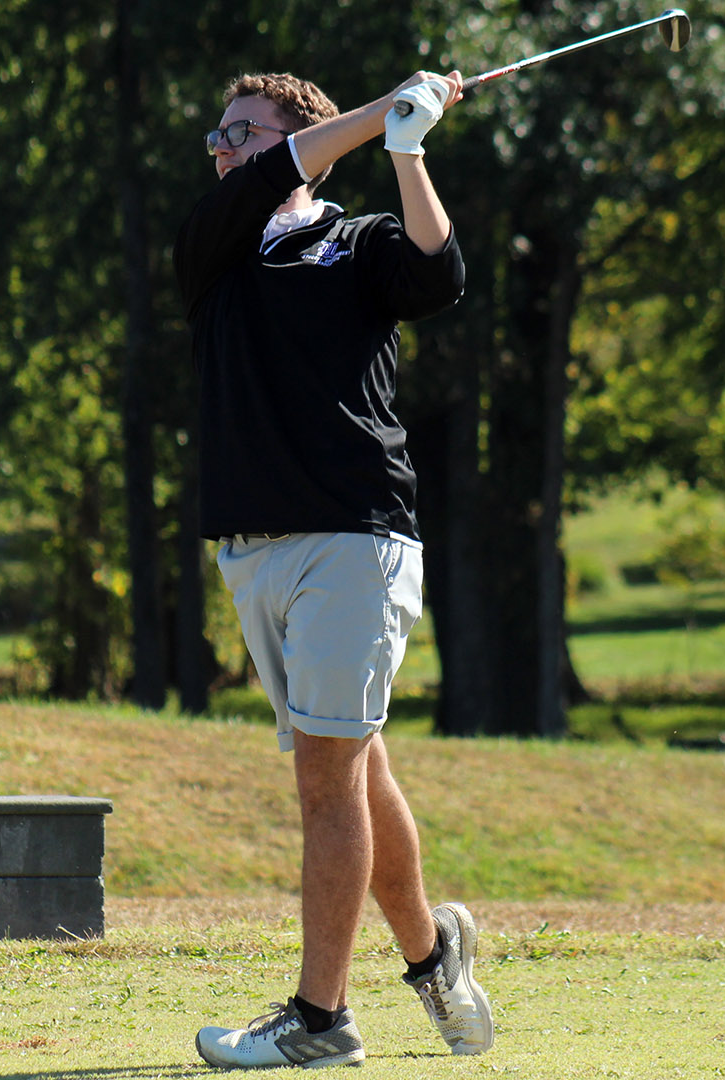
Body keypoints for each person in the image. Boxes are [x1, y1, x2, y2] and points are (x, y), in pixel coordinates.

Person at [175, 69, 494, 1069]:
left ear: (298, 143)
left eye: (242, 132)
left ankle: (321, 1021)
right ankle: (434, 956)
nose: (222, 147)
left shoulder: (356, 241)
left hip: (355, 534)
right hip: (252, 549)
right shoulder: (217, 241)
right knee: (356, 764)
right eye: (220, 134)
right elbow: (272, 172)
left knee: (325, 776)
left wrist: (407, 146)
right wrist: (379, 109)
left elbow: (437, 273)